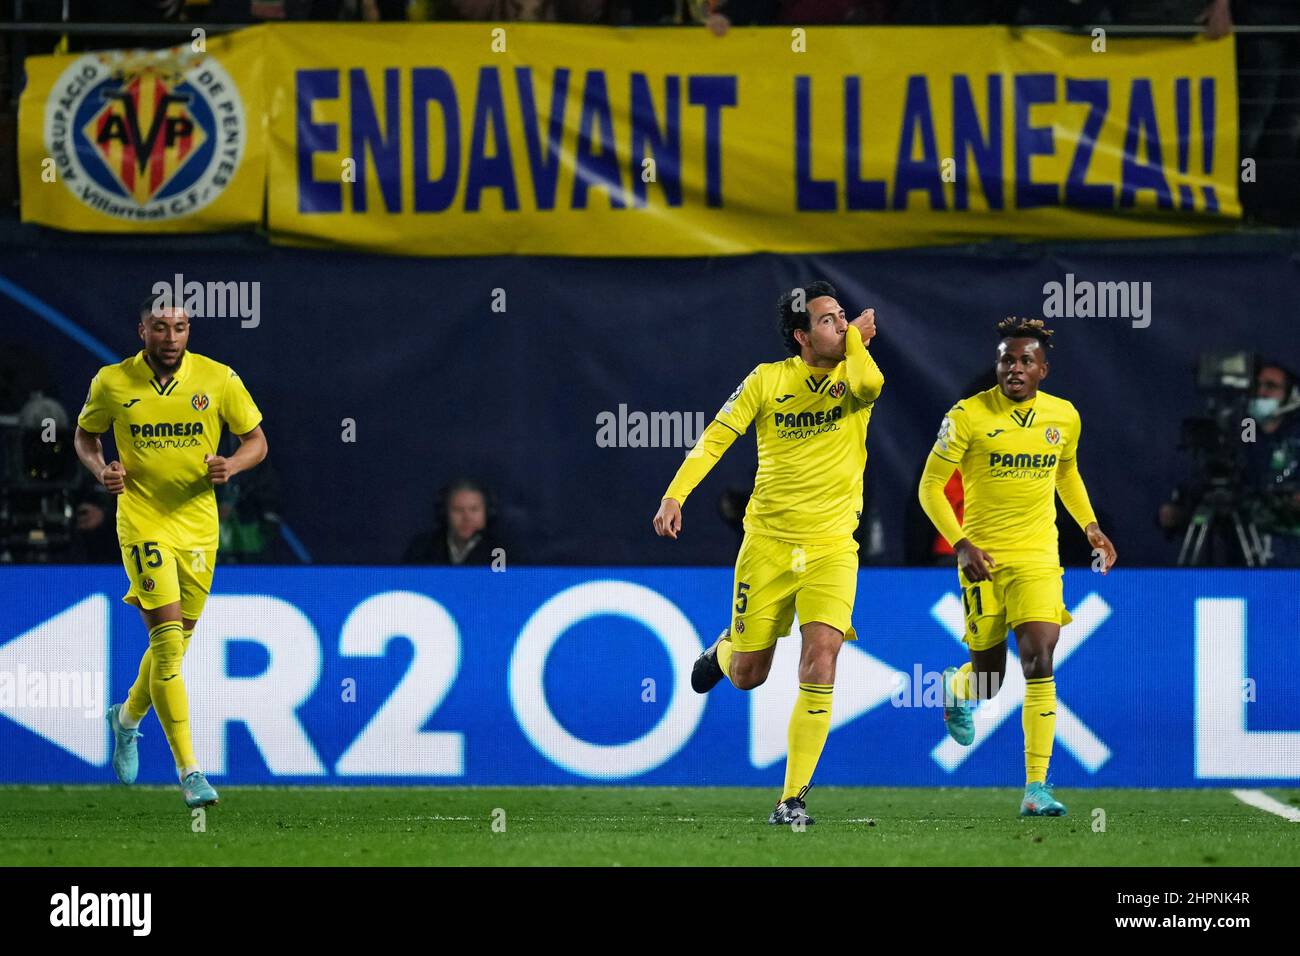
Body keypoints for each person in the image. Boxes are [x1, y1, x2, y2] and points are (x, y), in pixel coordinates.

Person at [652, 280, 884, 826]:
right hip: (769, 545)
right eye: (828, 320)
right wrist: (674, 493)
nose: (842, 325)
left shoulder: (855, 374)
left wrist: (855, 344)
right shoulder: (767, 380)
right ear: (802, 336)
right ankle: (722, 654)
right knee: (750, 674)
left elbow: (870, 385)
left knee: (822, 655)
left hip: (832, 546)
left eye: (843, 316)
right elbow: (715, 437)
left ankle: (792, 798)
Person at [917, 317, 1116, 817]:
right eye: (1007, 358)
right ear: (998, 364)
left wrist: (1090, 527)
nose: (1015, 368)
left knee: (1040, 659)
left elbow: (1065, 470)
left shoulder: (1064, 417)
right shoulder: (966, 416)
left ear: (1043, 369)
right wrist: (960, 544)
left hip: (1037, 557)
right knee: (990, 679)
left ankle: (1036, 787)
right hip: (981, 559)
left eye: (1027, 360)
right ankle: (957, 689)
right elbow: (929, 486)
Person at [74, 296, 267, 809]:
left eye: (180, 327)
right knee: (165, 648)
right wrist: (101, 471)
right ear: (142, 330)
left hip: (199, 529)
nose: (171, 337)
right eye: (160, 327)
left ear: (189, 331)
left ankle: (125, 718)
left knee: (174, 650)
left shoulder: (218, 379)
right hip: (142, 524)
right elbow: (85, 437)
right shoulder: (112, 382)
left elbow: (257, 441)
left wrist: (232, 464)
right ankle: (190, 772)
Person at [403, 478, 503, 565]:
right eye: (458, 510)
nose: (467, 517)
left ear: (487, 512)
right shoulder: (423, 547)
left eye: (474, 509)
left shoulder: (499, 549)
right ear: (444, 513)